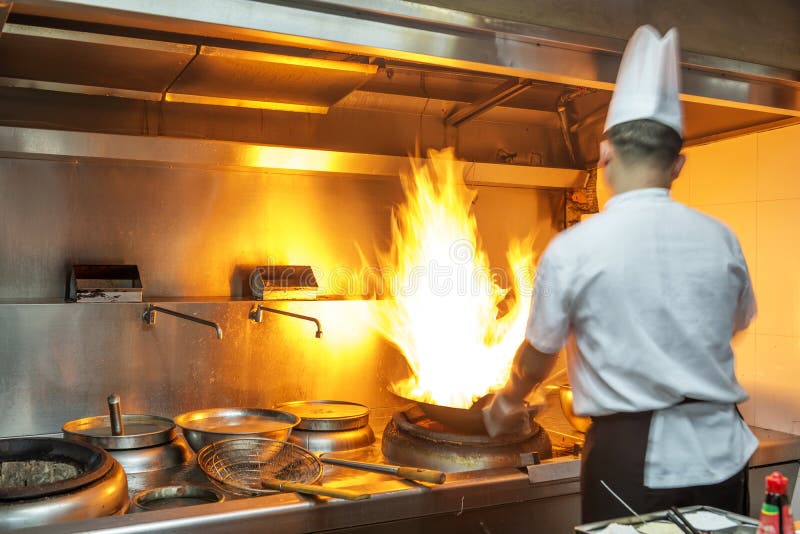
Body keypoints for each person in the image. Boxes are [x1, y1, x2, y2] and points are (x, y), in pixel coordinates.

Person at [482, 25, 757, 523]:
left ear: (604, 154)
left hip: (631, 456)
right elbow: (735, 324)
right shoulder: (722, 239)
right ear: (678, 165)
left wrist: (508, 402)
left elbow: (537, 357)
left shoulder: (575, 248)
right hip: (722, 455)